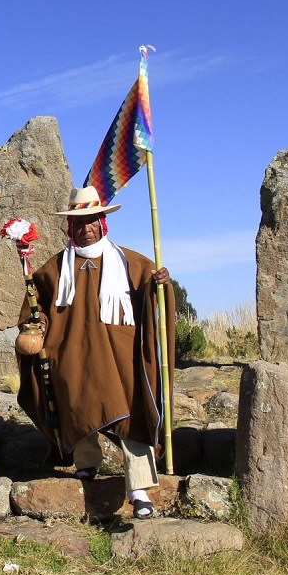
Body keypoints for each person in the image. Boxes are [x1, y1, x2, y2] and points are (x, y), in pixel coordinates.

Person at [16, 185, 176, 520]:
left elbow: (152, 299)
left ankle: (140, 490)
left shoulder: (134, 264)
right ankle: (86, 463)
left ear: (103, 223)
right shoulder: (54, 268)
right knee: (74, 403)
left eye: (92, 221)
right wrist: (37, 326)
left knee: (131, 414)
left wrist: (160, 285)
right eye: (79, 223)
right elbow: (37, 308)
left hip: (121, 357)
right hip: (72, 352)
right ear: (69, 228)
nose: (86, 228)